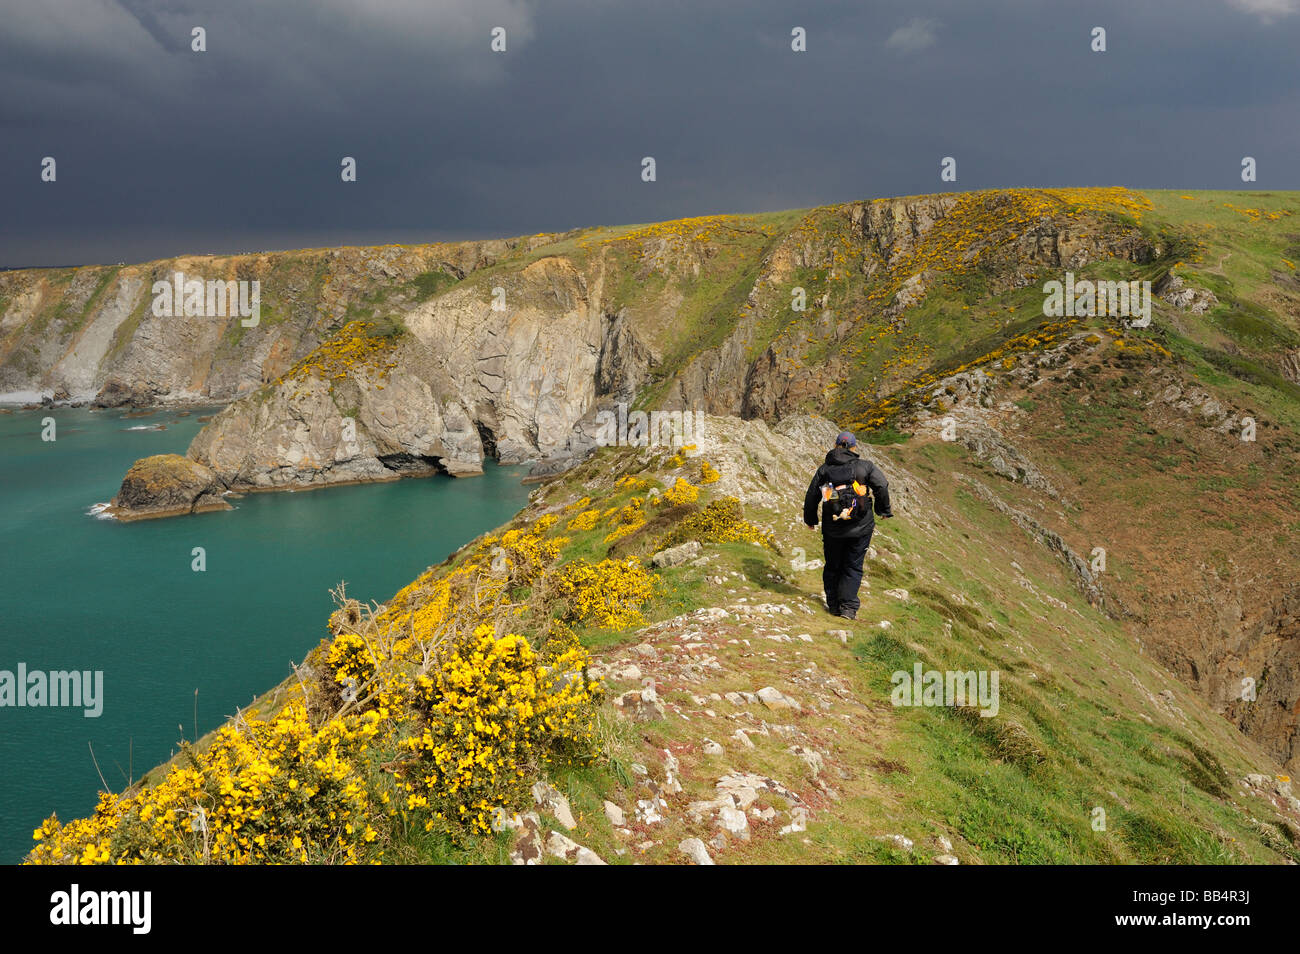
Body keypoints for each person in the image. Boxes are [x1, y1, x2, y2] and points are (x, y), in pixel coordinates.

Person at [802, 430, 893, 620]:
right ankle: (849, 609)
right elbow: (882, 486)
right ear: (854, 447)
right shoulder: (865, 467)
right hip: (861, 527)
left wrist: (811, 520)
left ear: (835, 445)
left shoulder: (825, 470)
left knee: (833, 565)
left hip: (833, 528)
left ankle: (834, 606)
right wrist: (883, 510)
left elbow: (812, 496)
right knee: (853, 566)